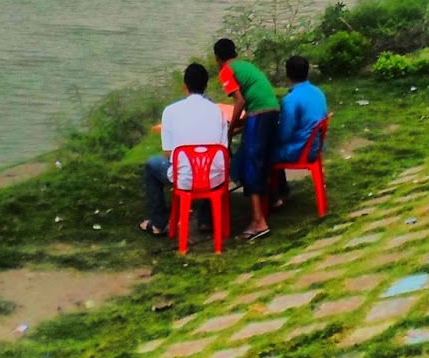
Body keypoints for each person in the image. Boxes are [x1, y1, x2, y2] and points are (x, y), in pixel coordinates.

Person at [140, 63, 229, 237]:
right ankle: (206, 220)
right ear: (206, 85)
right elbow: (223, 149)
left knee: (153, 164)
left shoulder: (171, 111)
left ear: (184, 86)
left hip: (185, 179)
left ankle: (158, 223)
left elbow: (168, 153)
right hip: (214, 179)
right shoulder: (217, 112)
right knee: (209, 161)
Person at [214, 38, 281, 241]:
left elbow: (240, 100)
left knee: (250, 163)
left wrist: (230, 128)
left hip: (259, 112)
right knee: (262, 158)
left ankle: (258, 222)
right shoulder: (246, 65)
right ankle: (275, 197)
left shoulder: (226, 70)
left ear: (217, 58)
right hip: (272, 109)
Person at [273, 55, 328, 207]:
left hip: (301, 150)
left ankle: (274, 197)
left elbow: (284, 135)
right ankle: (282, 191)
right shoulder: (317, 92)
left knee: (262, 153)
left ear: (287, 74)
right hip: (316, 146)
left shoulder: (291, 99)